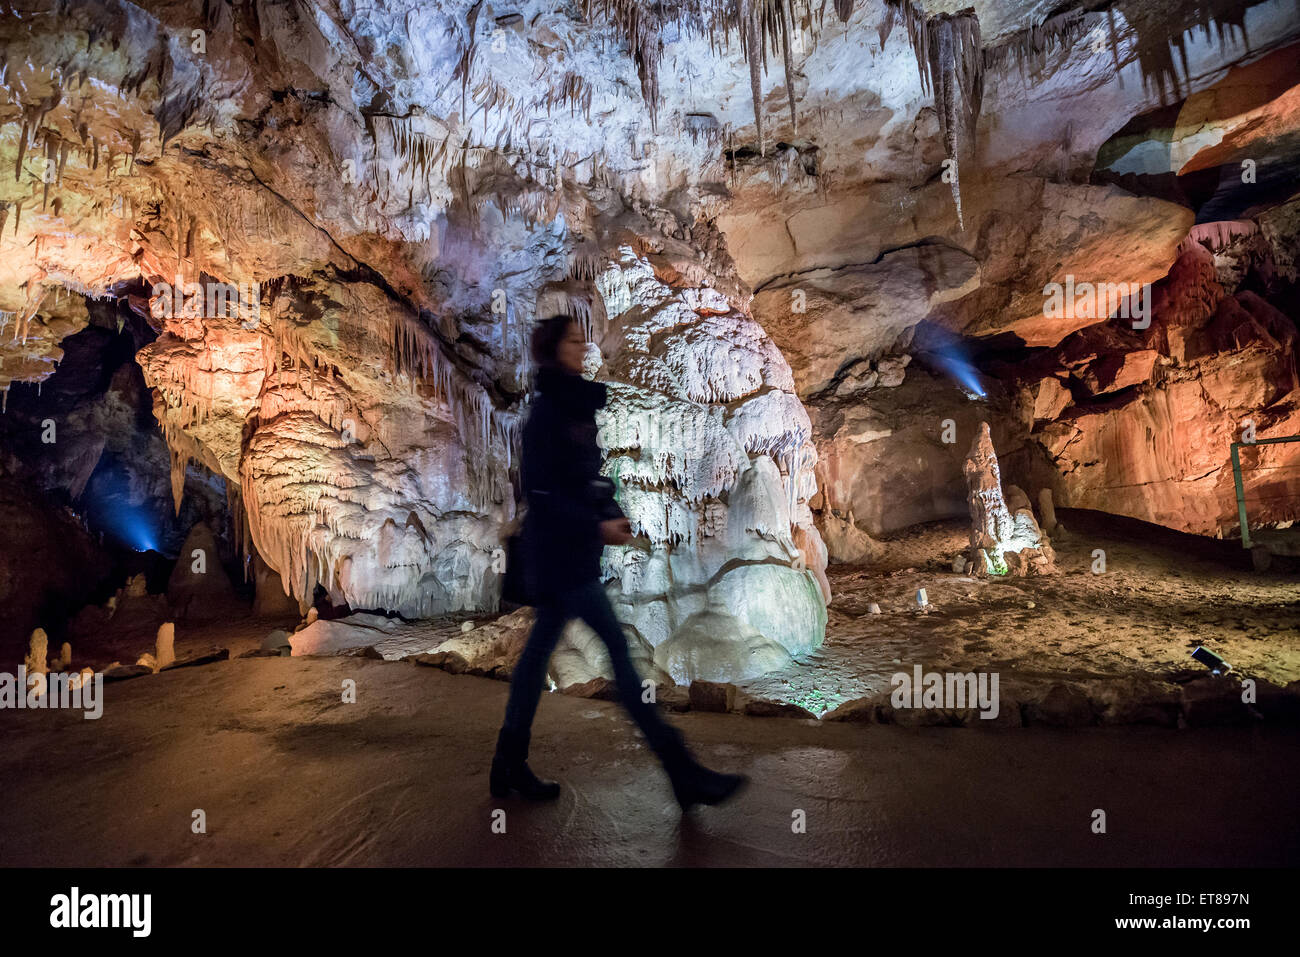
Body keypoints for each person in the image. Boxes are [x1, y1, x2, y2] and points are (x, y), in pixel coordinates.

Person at [490, 314, 747, 811]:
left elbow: (585, 477)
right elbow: (543, 493)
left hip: (568, 558)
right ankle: (682, 772)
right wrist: (595, 526)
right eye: (572, 340)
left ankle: (508, 761)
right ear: (552, 350)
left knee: (535, 660)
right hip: (562, 560)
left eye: (581, 338)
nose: (582, 345)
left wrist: (610, 511)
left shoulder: (572, 405)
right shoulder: (547, 415)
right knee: (620, 660)